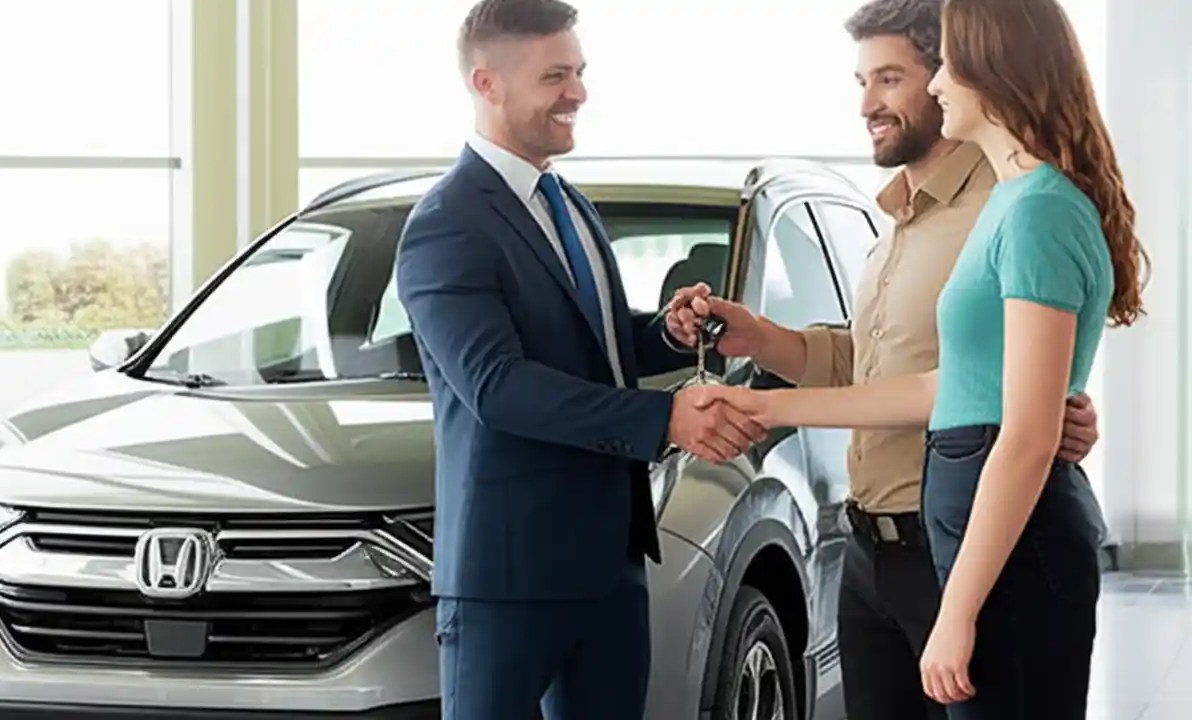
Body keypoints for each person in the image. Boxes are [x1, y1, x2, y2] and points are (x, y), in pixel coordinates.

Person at [681, 0, 1148, 717]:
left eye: (899, 76)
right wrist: (765, 393)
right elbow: (935, 380)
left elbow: (1021, 431)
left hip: (978, 548)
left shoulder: (1030, 208)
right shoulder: (954, 212)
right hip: (903, 539)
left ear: (987, 68)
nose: (915, 93)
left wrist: (956, 611)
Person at [393, 1, 764, 718]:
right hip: (509, 574)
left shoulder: (567, 201)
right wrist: (666, 417)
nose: (579, 93)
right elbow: (497, 386)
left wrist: (667, 333)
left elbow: (592, 340)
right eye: (556, 75)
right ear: (487, 83)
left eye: (580, 71)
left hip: (610, 561)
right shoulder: (447, 224)